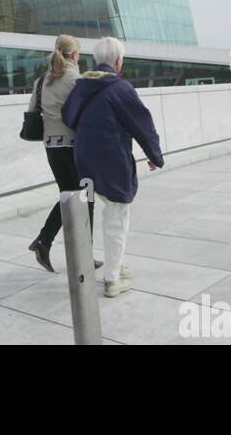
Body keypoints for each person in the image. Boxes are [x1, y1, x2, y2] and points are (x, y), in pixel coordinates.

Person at [62, 37, 164, 298]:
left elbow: (68, 116)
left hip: (83, 158)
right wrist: (154, 156)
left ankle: (112, 265)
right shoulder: (121, 88)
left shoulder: (81, 86)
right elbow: (142, 124)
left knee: (96, 213)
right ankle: (112, 279)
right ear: (118, 61)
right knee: (117, 217)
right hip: (111, 160)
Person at [26, 35, 100, 273]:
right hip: (76, 148)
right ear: (75, 55)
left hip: (52, 148)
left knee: (68, 196)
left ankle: (43, 241)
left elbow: (31, 112)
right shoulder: (76, 80)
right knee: (85, 198)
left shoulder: (41, 82)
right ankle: (83, 255)